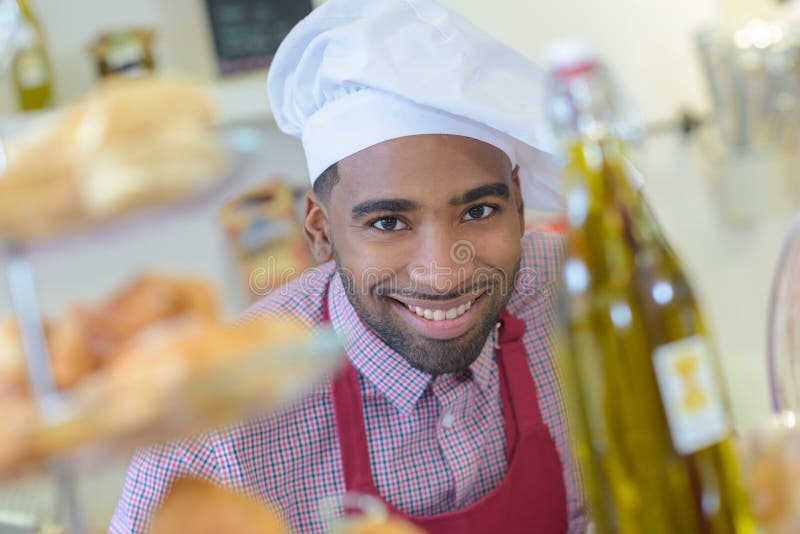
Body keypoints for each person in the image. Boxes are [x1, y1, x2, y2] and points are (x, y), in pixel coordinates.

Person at [111, 0, 585, 532]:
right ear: (319, 230)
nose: (443, 273)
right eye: (388, 223)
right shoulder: (215, 431)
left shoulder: (577, 293)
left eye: (478, 211)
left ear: (518, 203)